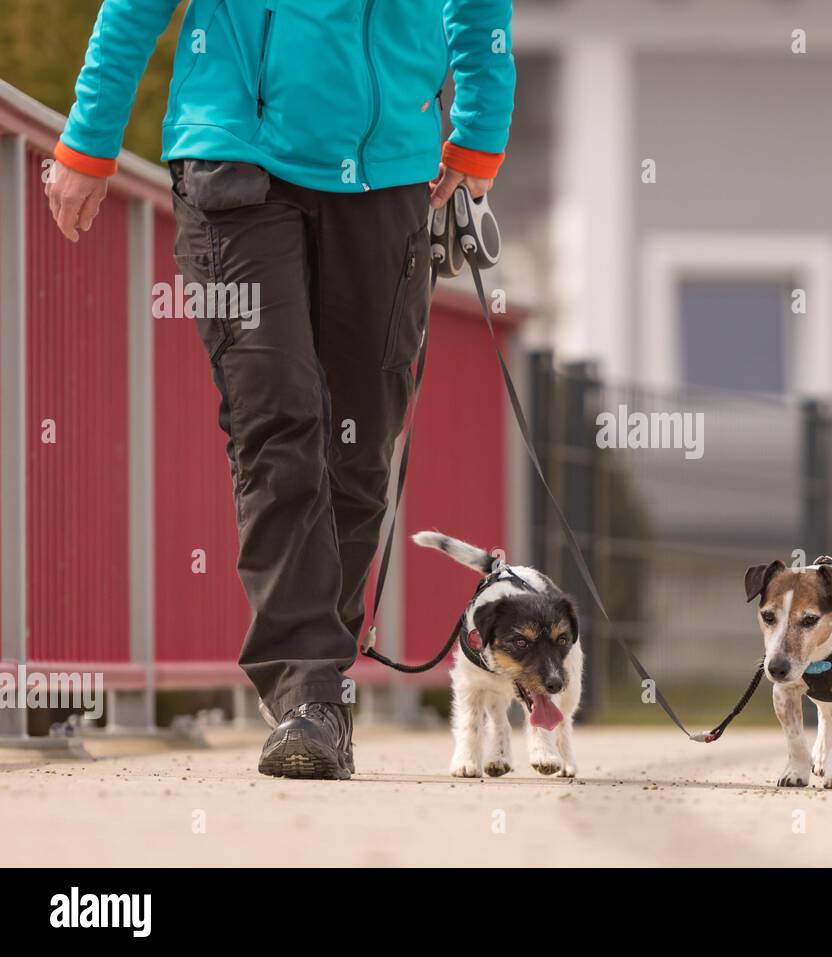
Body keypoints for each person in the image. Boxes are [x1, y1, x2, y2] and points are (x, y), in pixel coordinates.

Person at [45, 0, 515, 779]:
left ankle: (318, 675)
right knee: (279, 418)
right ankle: (309, 691)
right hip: (236, 155)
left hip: (389, 168)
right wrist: (90, 142)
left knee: (359, 446)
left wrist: (481, 126)